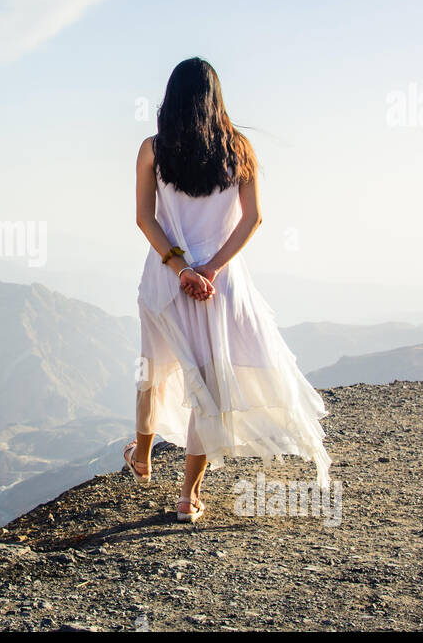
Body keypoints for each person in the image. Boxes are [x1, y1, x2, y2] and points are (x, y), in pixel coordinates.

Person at [123, 57, 332, 523]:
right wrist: (211, 269)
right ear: (217, 99)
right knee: (209, 385)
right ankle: (187, 497)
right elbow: (254, 218)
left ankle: (141, 457)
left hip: (166, 281)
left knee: (152, 371)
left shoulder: (152, 150)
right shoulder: (239, 149)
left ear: (170, 98)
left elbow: (145, 218)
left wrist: (182, 270)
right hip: (220, 287)